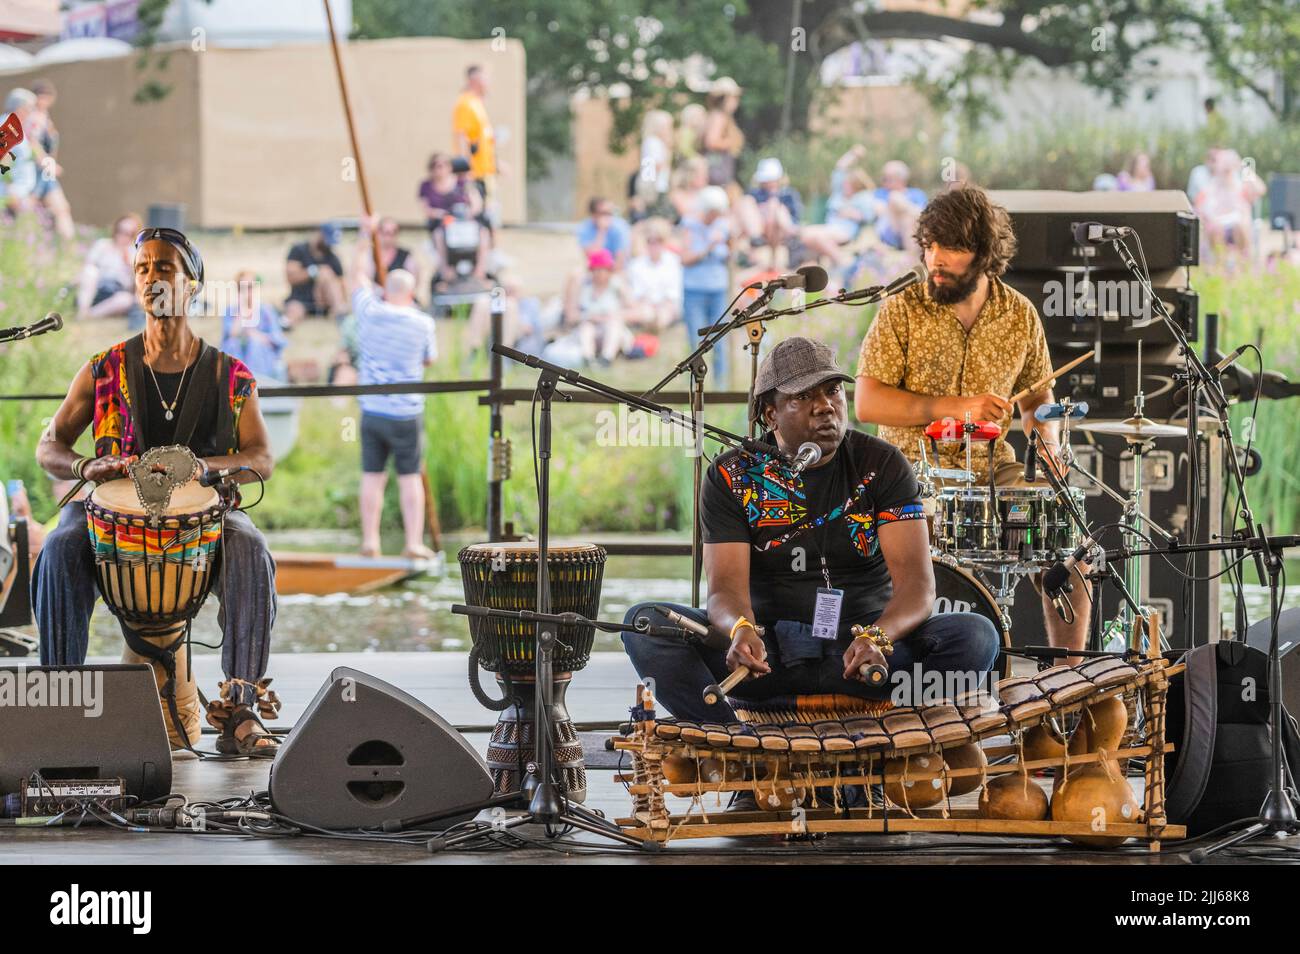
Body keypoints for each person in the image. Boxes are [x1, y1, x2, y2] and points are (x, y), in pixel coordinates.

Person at [621, 337, 999, 734]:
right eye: (803, 396)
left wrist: (878, 637)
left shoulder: (883, 464)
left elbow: (917, 585)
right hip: (769, 658)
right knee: (644, 624)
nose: (825, 406)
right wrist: (741, 631)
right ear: (771, 414)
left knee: (975, 634)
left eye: (833, 390)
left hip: (865, 656)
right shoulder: (732, 476)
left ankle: (894, 741)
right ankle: (737, 744)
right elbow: (725, 590)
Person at [32, 227, 279, 756]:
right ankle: (58, 703)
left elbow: (260, 457)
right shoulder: (103, 369)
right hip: (107, 518)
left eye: (164, 268)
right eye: (142, 268)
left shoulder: (230, 376)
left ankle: (241, 706)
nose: (150, 278)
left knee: (251, 547)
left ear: (192, 285)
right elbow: (49, 445)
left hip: (205, 523)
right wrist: (85, 465)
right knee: (57, 547)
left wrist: (199, 469)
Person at [855, 186, 1091, 659]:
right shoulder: (902, 308)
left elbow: (1039, 400)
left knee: (1069, 549)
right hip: (907, 472)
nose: (935, 259)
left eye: (951, 248)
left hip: (991, 469)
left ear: (984, 254)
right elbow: (867, 402)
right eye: (929, 246)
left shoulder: (1019, 315)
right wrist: (954, 406)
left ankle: (1068, 677)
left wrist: (1047, 441)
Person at [347, 216, 438, 561]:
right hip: (406, 413)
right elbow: (430, 360)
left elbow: (357, 277)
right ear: (411, 294)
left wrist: (363, 239)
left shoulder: (370, 312)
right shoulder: (423, 322)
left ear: (387, 291)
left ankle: (371, 540)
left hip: (373, 411)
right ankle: (413, 542)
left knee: (372, 477)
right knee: (409, 477)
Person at [679, 186, 733, 383]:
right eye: (712, 212)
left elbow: (731, 255)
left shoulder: (724, 227)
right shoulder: (690, 225)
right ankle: (694, 384)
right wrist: (709, 246)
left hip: (718, 289)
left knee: (720, 340)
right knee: (695, 341)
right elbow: (685, 258)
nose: (715, 217)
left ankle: (722, 386)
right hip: (695, 290)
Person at [800, 148, 876, 266]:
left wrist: (853, 214)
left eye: (848, 184)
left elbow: (870, 216)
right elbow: (839, 168)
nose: (844, 185)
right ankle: (816, 265)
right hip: (831, 227)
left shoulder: (862, 197)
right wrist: (853, 154)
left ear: (855, 186)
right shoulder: (839, 195)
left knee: (818, 237)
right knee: (805, 234)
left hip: (846, 231)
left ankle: (842, 263)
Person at [562, 249, 634, 365]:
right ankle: (588, 358)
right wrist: (588, 316)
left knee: (614, 326)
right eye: (597, 269)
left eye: (604, 269)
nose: (600, 273)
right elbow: (571, 316)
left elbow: (633, 309)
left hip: (612, 328)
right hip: (588, 328)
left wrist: (613, 316)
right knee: (587, 328)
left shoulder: (617, 285)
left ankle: (606, 359)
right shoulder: (583, 285)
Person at [76, 213, 146, 328]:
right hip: (95, 288)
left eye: (129, 234)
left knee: (126, 299)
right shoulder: (103, 244)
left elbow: (137, 287)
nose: (123, 236)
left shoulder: (135, 253)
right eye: (120, 231)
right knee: (90, 271)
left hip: (116, 292)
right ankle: (82, 310)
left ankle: (89, 315)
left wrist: (130, 267)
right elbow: (87, 267)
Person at [25, 79, 74, 240]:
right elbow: (31, 142)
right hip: (35, 170)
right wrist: (48, 164)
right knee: (29, 209)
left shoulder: (45, 117)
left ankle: (67, 249)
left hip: (45, 171)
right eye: (41, 96)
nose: (44, 101)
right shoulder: (31, 117)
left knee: (61, 208)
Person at [1195, 148, 1266, 256]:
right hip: (1216, 227)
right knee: (1214, 228)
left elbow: (1260, 190)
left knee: (1240, 226)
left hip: (1239, 227)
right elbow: (1198, 207)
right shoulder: (1210, 187)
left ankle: (1242, 261)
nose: (1226, 168)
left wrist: (1244, 167)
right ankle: (1221, 263)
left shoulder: (1241, 185)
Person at [221, 271, 288, 383]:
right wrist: (242, 309)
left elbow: (276, 338)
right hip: (238, 353)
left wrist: (254, 335)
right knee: (233, 344)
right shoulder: (231, 311)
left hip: (261, 354)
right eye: (243, 288)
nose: (248, 291)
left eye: (251, 287)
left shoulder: (266, 310)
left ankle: (256, 384)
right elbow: (232, 334)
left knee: (254, 344)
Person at [736, 157, 803, 255]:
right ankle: (756, 238)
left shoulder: (789, 194)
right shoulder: (754, 194)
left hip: (780, 230)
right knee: (750, 202)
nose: (769, 183)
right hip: (761, 229)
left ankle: (791, 237)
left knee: (776, 207)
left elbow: (795, 216)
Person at [626, 218, 683, 331]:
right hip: (644, 306)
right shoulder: (636, 264)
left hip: (667, 307)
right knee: (647, 314)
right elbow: (637, 293)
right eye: (650, 241)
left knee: (661, 316)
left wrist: (662, 306)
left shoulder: (674, 262)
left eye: (658, 240)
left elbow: (673, 294)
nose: (654, 245)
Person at [452, 64, 498, 202]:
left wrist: (496, 164)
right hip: (474, 173)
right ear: (474, 80)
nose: (488, 83)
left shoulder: (477, 103)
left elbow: (480, 139)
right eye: (486, 78)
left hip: (484, 171)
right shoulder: (466, 103)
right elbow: (461, 136)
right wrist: (464, 170)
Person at [284, 222, 345, 325]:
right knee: (294, 310)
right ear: (319, 234)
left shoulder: (333, 258)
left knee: (327, 275)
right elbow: (291, 278)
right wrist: (314, 272)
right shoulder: (299, 250)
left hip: (324, 302)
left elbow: (342, 285)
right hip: (301, 299)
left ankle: (340, 314)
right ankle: (286, 323)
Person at [873, 160, 926, 252]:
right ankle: (912, 255)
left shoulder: (917, 193)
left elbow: (925, 213)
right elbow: (879, 211)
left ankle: (911, 255)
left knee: (907, 219)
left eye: (887, 178)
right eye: (884, 178)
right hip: (890, 231)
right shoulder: (881, 193)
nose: (884, 182)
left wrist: (905, 211)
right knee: (894, 197)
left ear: (901, 179)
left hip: (912, 228)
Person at [631, 109, 674, 222]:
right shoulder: (653, 143)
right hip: (655, 188)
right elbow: (652, 166)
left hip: (658, 186)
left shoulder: (653, 142)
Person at [0, 89, 37, 219]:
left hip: (17, 192)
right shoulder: (8, 126)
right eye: (30, 109)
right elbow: (3, 157)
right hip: (11, 194)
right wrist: (11, 189)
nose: (31, 113)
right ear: (20, 108)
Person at [702, 76, 745, 188]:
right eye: (734, 97)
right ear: (725, 98)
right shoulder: (719, 117)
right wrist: (731, 142)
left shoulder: (716, 115)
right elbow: (711, 142)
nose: (736, 101)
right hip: (716, 174)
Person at [576, 196, 632, 268]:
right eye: (604, 213)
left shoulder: (620, 227)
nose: (608, 216)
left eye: (610, 212)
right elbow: (591, 256)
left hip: (617, 268)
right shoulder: (585, 228)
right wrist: (602, 231)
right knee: (574, 276)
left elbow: (621, 259)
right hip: (596, 269)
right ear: (593, 214)